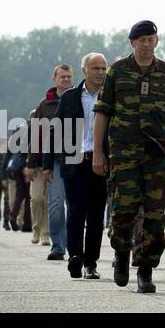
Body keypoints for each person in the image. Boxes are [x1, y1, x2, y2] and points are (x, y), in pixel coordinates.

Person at [93, 20, 165, 294]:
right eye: (141, 39)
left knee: (156, 214)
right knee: (123, 210)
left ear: (156, 42)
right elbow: (103, 112)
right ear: (132, 43)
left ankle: (145, 269)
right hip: (123, 153)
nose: (146, 44)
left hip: (156, 155)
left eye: (151, 39)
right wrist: (98, 152)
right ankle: (121, 253)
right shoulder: (117, 71)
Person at [47, 53, 110, 279]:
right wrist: (47, 164)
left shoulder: (111, 97)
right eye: (96, 68)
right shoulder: (71, 98)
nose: (101, 72)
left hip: (101, 162)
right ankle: (76, 257)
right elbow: (55, 130)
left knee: (96, 216)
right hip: (75, 163)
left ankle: (91, 263)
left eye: (104, 68)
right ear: (84, 70)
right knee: (75, 212)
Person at [27, 66, 72, 253]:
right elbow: (37, 136)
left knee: (73, 206)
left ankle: (72, 244)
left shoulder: (78, 99)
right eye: (62, 76)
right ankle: (58, 246)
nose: (66, 79)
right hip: (54, 159)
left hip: (76, 160)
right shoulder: (44, 105)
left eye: (69, 76)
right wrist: (32, 163)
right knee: (55, 204)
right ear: (54, 78)